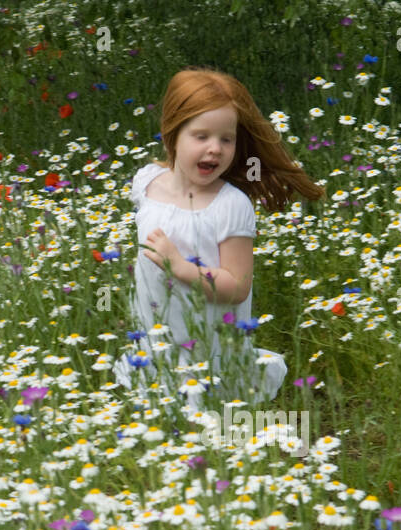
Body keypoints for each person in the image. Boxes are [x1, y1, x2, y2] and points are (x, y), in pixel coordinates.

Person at [113, 68, 324, 410]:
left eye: (226, 139)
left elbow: (237, 286)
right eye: (201, 136)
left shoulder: (231, 206)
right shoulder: (148, 183)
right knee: (157, 404)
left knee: (202, 411)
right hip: (157, 334)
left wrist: (178, 267)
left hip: (208, 343)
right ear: (172, 134)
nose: (215, 149)